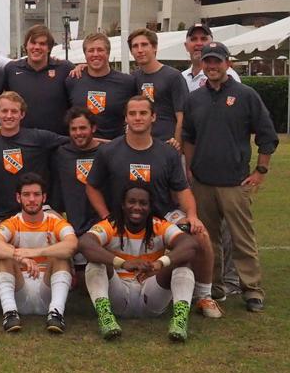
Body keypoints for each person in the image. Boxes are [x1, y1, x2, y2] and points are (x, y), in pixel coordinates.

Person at [85, 95, 222, 318]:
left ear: (153, 117)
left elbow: (182, 189)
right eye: (132, 113)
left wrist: (192, 215)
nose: (137, 118)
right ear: (125, 118)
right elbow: (92, 187)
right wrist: (106, 216)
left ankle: (204, 295)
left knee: (200, 235)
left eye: (143, 113)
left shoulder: (167, 152)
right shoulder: (108, 151)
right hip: (124, 217)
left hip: (163, 215)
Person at [183, 42, 278, 312]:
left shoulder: (246, 95)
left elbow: (267, 135)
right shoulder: (195, 99)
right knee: (208, 240)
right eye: (207, 61)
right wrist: (189, 170)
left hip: (235, 183)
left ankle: (252, 289)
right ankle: (212, 288)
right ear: (202, 64)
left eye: (217, 61)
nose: (212, 66)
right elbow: (188, 137)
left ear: (228, 64)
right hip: (202, 182)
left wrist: (260, 171)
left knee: (242, 238)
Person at [79, 184, 200, 342]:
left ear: (150, 207)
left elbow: (190, 245)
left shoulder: (160, 225)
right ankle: (105, 317)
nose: (137, 207)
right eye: (132, 202)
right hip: (119, 296)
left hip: (151, 296)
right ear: (123, 204)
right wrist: (122, 263)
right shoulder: (111, 225)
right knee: (95, 263)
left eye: (143, 203)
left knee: (183, 262)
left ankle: (180, 320)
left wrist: (159, 263)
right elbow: (85, 243)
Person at [180, 22, 240, 297]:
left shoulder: (232, 78)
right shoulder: (182, 79)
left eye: (204, 38)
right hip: (192, 159)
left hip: (223, 162)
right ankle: (206, 277)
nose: (199, 43)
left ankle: (230, 279)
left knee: (227, 224)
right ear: (187, 46)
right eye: (194, 39)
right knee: (201, 220)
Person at [0, 173, 78, 333]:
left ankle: (56, 314)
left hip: (47, 289)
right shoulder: (13, 222)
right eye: (26, 195)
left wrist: (35, 252)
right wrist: (19, 256)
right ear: (18, 198)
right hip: (19, 291)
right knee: (4, 257)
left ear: (44, 197)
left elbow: (72, 245)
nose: (32, 199)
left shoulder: (55, 221)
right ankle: (10, 313)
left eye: (36, 194)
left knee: (60, 255)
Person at [0, 92, 68, 221]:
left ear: (22, 114)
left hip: (37, 212)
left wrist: (100, 143)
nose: (9, 115)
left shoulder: (38, 138)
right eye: (4, 111)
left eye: (14, 111)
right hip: (0, 218)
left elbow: (77, 141)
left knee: (67, 233)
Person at [50, 107, 102, 281]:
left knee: (96, 275)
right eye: (74, 129)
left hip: (100, 225)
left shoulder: (106, 153)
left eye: (83, 128)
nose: (78, 133)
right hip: (72, 226)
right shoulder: (61, 154)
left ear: (93, 128)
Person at [65, 32, 139, 139]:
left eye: (100, 50)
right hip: (82, 148)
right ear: (85, 54)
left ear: (108, 53)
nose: (95, 54)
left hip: (114, 148)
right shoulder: (73, 80)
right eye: (91, 50)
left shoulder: (127, 82)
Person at [4, 24, 75, 135]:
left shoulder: (65, 68)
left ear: (49, 48)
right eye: (33, 43)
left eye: (42, 44)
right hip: (22, 141)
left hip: (58, 142)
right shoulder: (11, 69)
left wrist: (83, 67)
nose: (36, 47)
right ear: (26, 46)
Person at [129, 28, 188, 145]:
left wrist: (177, 144)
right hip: (141, 145)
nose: (140, 50)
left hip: (166, 143)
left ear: (155, 47)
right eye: (135, 46)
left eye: (144, 45)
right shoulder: (133, 78)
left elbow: (182, 117)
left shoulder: (173, 76)